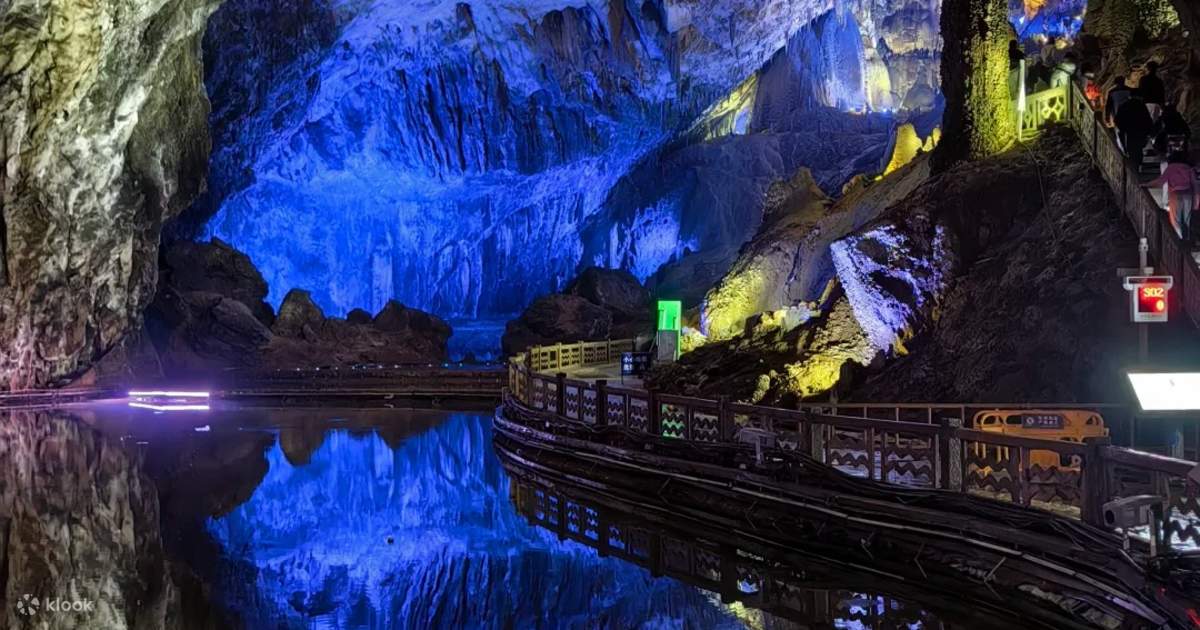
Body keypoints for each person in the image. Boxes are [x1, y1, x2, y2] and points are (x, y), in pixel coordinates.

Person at [1142, 152, 1198, 243]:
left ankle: (1179, 240)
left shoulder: (1170, 168)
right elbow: (1195, 185)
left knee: (1175, 221)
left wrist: (1146, 184)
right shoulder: (1188, 168)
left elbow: (1160, 182)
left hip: (1175, 195)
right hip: (1188, 195)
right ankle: (1187, 240)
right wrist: (1196, 201)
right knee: (1187, 220)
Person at [1115, 90, 1154, 167]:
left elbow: (1117, 120)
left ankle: (1133, 168)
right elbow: (1147, 119)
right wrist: (1149, 131)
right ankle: (1137, 165)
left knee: (1131, 150)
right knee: (1138, 150)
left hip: (1129, 132)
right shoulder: (1141, 105)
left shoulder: (1124, 105)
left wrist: (1123, 129)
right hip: (1140, 132)